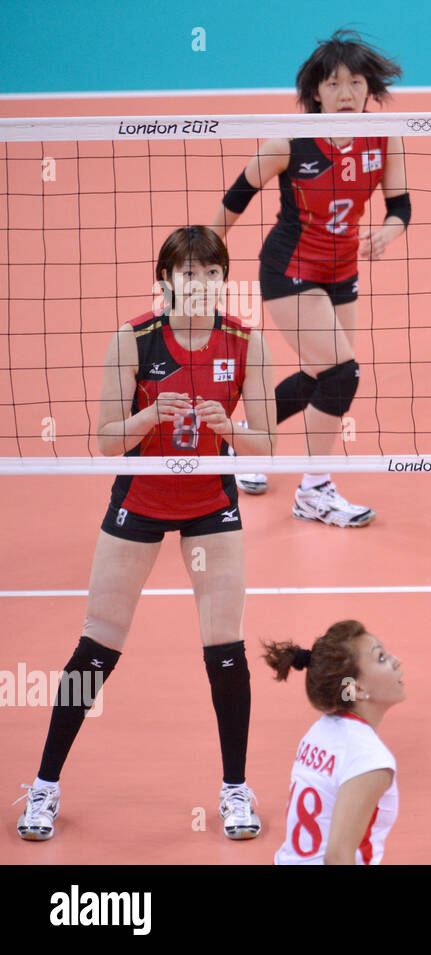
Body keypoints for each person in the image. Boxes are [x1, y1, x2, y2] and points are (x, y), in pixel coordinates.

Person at [15, 226, 277, 841]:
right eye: (189, 274)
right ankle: (45, 788)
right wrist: (146, 416)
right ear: (165, 282)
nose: (202, 285)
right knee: (97, 646)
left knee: (226, 650)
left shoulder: (245, 342)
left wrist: (229, 431)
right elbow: (106, 440)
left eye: (213, 274)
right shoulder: (133, 340)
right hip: (142, 500)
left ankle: (236, 790)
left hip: (211, 504)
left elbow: (266, 440)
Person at [211, 29, 409, 527]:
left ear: (369, 91)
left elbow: (400, 205)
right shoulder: (289, 143)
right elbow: (234, 202)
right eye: (335, 84)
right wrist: (203, 264)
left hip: (343, 272)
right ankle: (314, 490)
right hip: (289, 269)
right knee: (344, 373)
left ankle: (236, 442)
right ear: (315, 93)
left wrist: (389, 232)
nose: (347, 94)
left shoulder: (386, 137)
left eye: (356, 84)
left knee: (327, 374)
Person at [265, 620, 403, 865]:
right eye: (381, 658)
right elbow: (337, 857)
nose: (396, 661)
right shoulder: (370, 759)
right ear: (357, 689)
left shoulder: (319, 732)